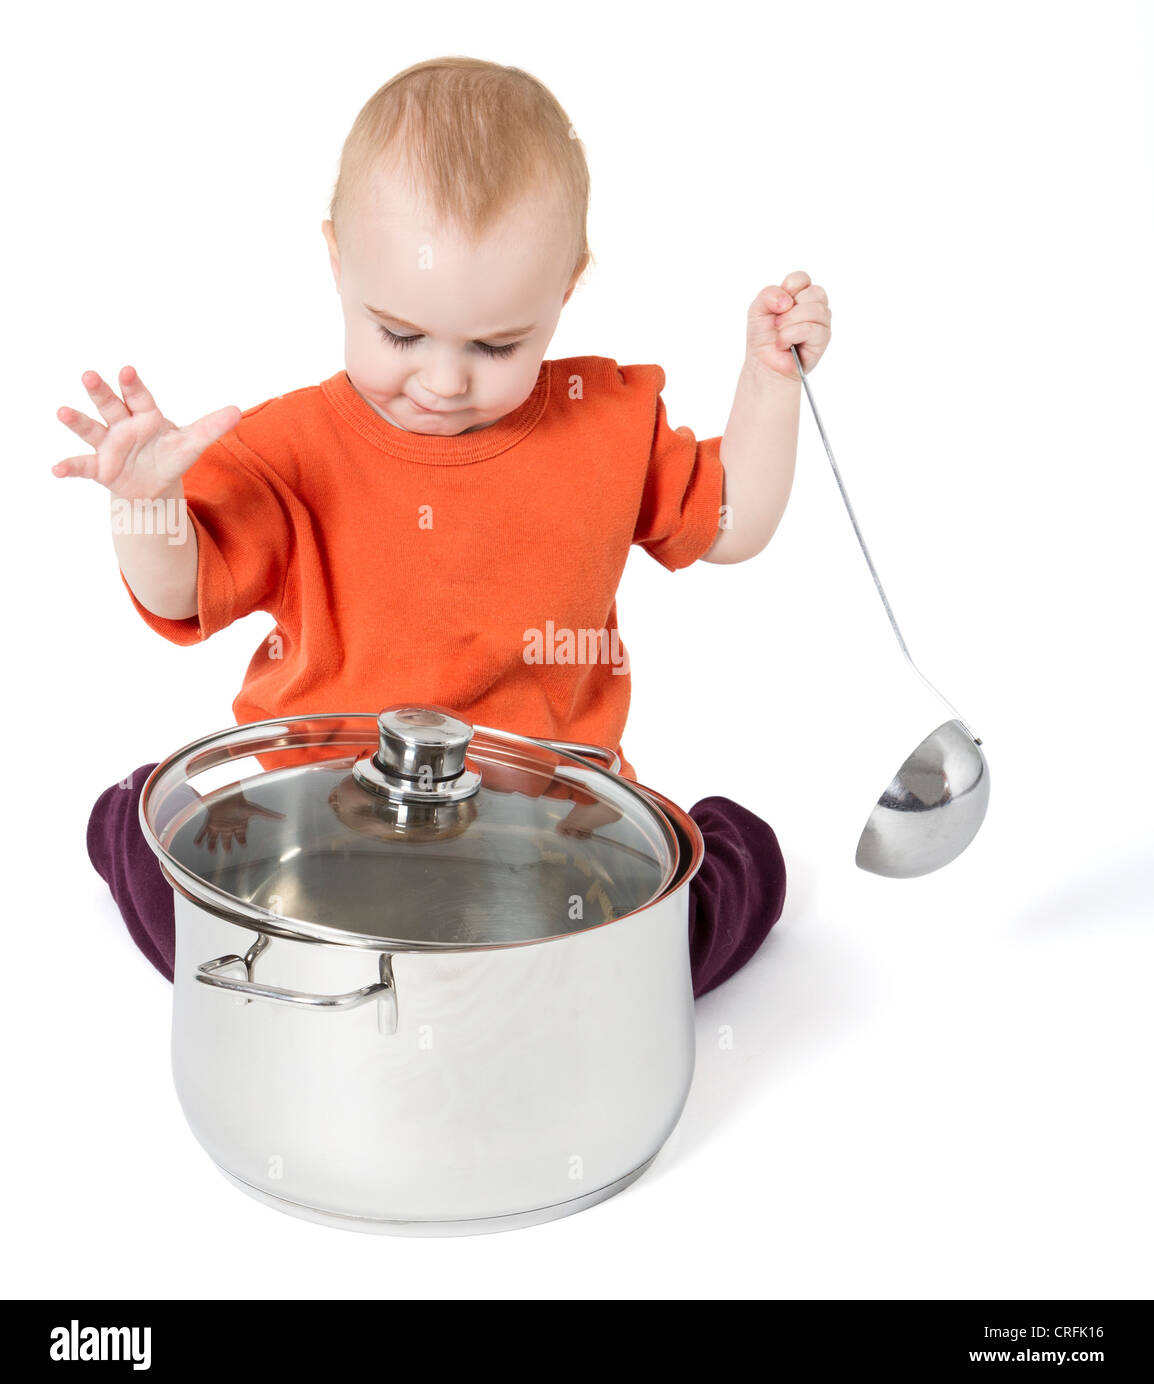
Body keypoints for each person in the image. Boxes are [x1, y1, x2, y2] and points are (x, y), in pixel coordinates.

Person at [58, 56, 831, 998]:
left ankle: (727, 865)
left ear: (567, 288)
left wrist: (769, 382)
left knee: (650, 969)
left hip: (543, 832)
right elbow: (179, 591)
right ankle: (125, 825)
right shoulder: (288, 448)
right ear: (338, 263)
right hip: (320, 829)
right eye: (400, 335)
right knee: (194, 910)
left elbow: (736, 522)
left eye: (497, 345)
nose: (444, 380)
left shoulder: (605, 419)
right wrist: (144, 500)